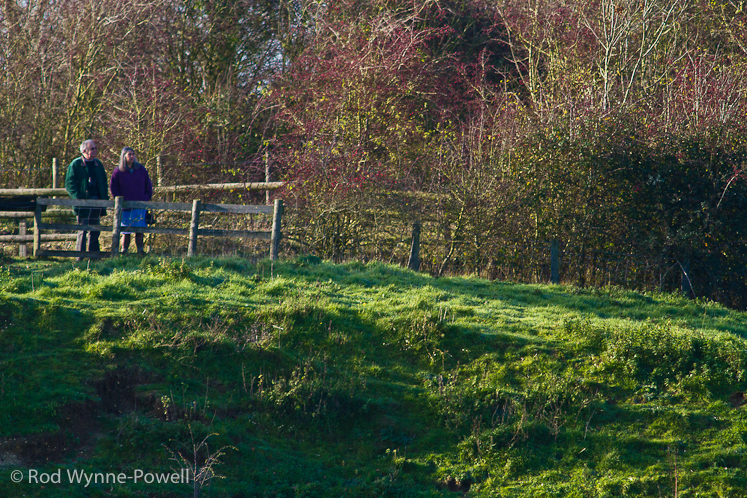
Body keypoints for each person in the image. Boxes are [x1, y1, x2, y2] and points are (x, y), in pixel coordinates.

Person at [65, 139, 109, 258]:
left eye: (95, 148)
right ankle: (80, 256)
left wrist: (104, 199)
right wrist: (78, 199)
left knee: (95, 229)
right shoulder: (75, 164)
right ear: (84, 151)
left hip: (96, 201)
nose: (95, 151)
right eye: (92, 149)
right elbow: (70, 184)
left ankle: (94, 256)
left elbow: (104, 182)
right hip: (82, 202)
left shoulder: (98, 164)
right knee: (82, 229)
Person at [110, 147, 153, 254]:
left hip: (139, 205)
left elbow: (148, 185)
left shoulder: (141, 170)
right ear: (124, 156)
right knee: (126, 231)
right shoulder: (118, 171)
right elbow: (113, 187)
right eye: (129, 154)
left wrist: (145, 198)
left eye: (133, 154)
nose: (132, 156)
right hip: (125, 207)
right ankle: (124, 251)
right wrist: (119, 201)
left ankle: (140, 251)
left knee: (139, 230)